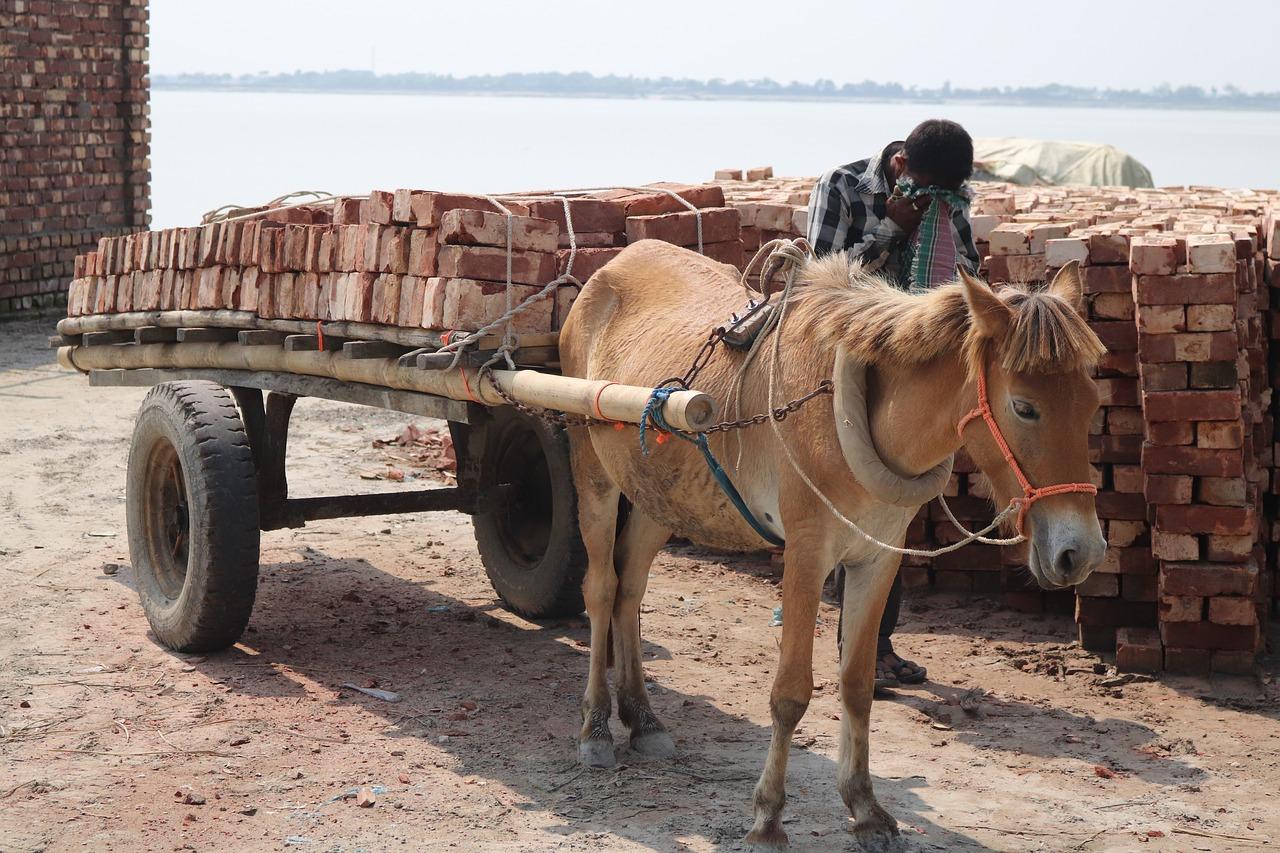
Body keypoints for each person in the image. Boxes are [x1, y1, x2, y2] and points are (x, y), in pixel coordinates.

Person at [806, 118, 979, 690]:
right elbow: (821, 282)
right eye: (927, 192)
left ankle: (876, 647)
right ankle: (857, 650)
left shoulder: (949, 196)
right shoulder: (845, 185)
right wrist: (891, 232)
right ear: (900, 166)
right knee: (853, 502)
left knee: (894, 503)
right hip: (846, 355)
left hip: (913, 359)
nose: (938, 203)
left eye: (948, 196)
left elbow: (968, 272)